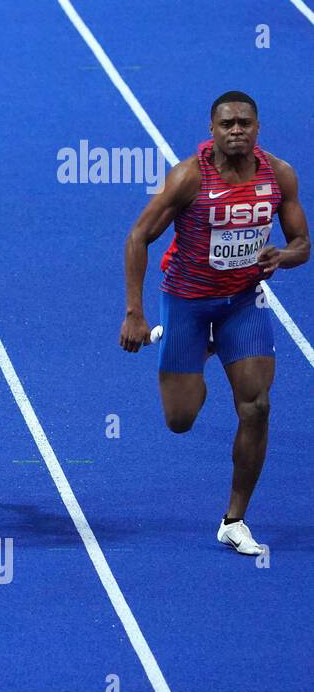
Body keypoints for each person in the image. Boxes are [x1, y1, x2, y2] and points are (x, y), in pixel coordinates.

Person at [121, 91, 307, 555]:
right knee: (180, 420)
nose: (236, 130)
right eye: (227, 124)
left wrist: (282, 256)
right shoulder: (189, 177)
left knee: (257, 407)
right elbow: (139, 236)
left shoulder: (278, 175)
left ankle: (234, 519)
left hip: (244, 302)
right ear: (212, 130)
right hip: (187, 302)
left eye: (244, 122)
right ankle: (196, 350)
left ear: (258, 128)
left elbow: (303, 241)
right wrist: (134, 312)